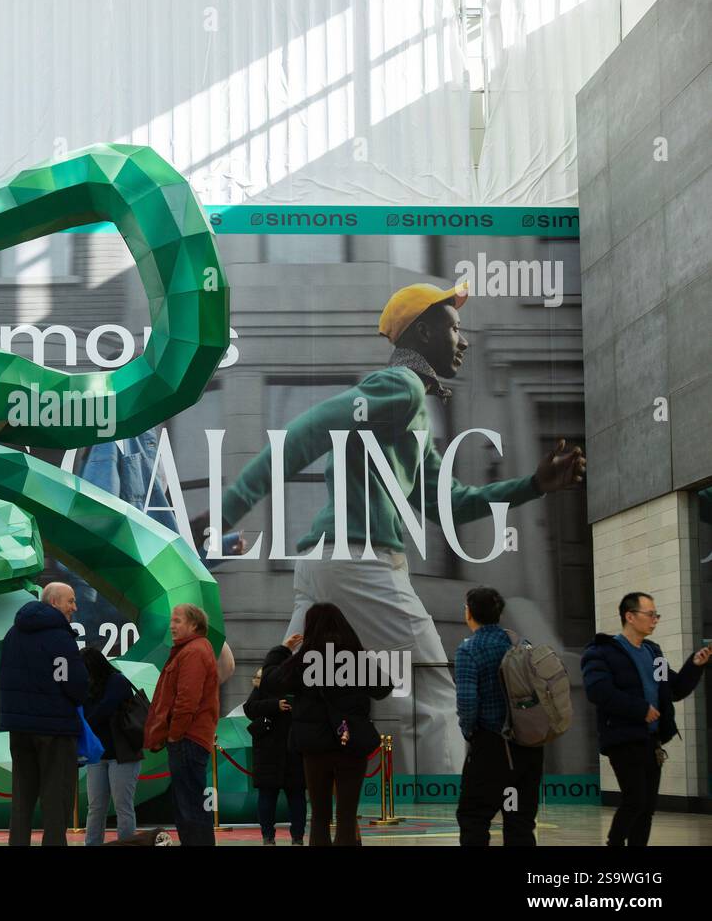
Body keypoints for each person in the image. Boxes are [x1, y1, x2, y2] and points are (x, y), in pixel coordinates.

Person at [200, 282, 586, 773]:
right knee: (432, 688)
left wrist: (533, 484)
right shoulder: (400, 387)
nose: (462, 341)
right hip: (359, 563)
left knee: (286, 682)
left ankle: (204, 764)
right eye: (453, 328)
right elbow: (308, 430)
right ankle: (449, 817)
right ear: (423, 332)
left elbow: (451, 502)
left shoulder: (414, 413)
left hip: (325, 567)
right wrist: (224, 511)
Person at [582, 592, 710, 847]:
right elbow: (598, 691)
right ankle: (615, 843)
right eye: (650, 614)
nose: (655, 620)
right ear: (630, 617)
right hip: (623, 737)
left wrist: (694, 665)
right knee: (635, 800)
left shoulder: (654, 653)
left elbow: (672, 689)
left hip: (651, 740)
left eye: (656, 615)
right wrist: (640, 708)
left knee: (647, 806)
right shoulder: (601, 651)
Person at [275, 602, 391, 846]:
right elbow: (383, 688)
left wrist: (282, 651)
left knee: (319, 816)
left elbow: (273, 682)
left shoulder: (305, 659)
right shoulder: (356, 658)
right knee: (347, 816)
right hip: (351, 740)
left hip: (315, 745)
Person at [0, 582, 89, 846]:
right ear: (54, 603)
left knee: (22, 798)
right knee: (56, 800)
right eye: (70, 601)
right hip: (55, 729)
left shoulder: (13, 634)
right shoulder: (61, 638)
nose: (75, 607)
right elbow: (76, 684)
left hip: (19, 727)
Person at [453, 586, 542, 846]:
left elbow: (467, 702)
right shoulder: (520, 643)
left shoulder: (470, 648)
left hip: (492, 745)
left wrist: (470, 733)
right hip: (530, 745)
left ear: (469, 612)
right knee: (520, 820)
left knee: (473, 816)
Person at [144, 603, 219, 847]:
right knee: (189, 805)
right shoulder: (192, 650)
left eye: (177, 621)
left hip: (187, 738)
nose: (172, 626)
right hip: (189, 737)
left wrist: (175, 734)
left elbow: (187, 700)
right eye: (172, 620)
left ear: (194, 624)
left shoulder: (193, 652)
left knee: (189, 808)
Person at [244, 634, 306, 845]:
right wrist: (274, 705)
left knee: (296, 795)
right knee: (268, 796)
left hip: (292, 748)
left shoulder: (301, 684)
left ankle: (297, 837)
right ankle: (267, 837)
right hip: (269, 748)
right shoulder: (263, 685)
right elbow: (249, 708)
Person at [80, 645, 143, 845]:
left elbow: (103, 709)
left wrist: (83, 723)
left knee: (123, 807)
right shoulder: (87, 687)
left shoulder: (117, 681)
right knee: (95, 807)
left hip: (122, 754)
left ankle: (126, 844)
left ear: (93, 667)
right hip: (99, 755)